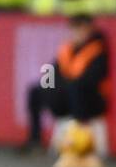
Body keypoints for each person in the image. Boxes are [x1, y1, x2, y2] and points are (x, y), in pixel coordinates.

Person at [22, 14, 110, 155]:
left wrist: (65, 84)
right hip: (66, 96)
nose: (76, 34)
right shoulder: (67, 49)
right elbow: (52, 70)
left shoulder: (97, 50)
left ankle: (80, 141)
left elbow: (92, 80)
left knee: (75, 88)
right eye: (74, 29)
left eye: (80, 30)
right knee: (36, 91)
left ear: (89, 30)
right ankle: (35, 139)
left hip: (92, 101)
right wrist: (47, 87)